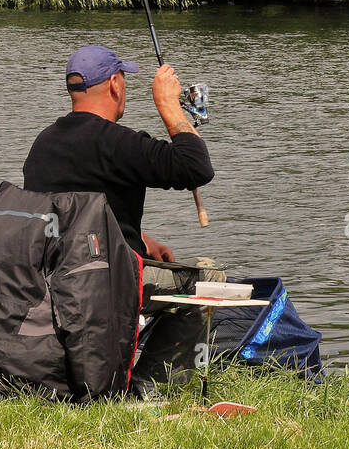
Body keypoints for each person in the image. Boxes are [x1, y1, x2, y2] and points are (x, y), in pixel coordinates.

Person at [22, 45, 214, 280]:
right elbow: (196, 168)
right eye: (124, 79)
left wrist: (139, 239)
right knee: (209, 274)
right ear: (114, 83)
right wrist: (168, 103)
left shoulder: (42, 144)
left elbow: (65, 215)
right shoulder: (121, 144)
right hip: (113, 284)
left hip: (55, 277)